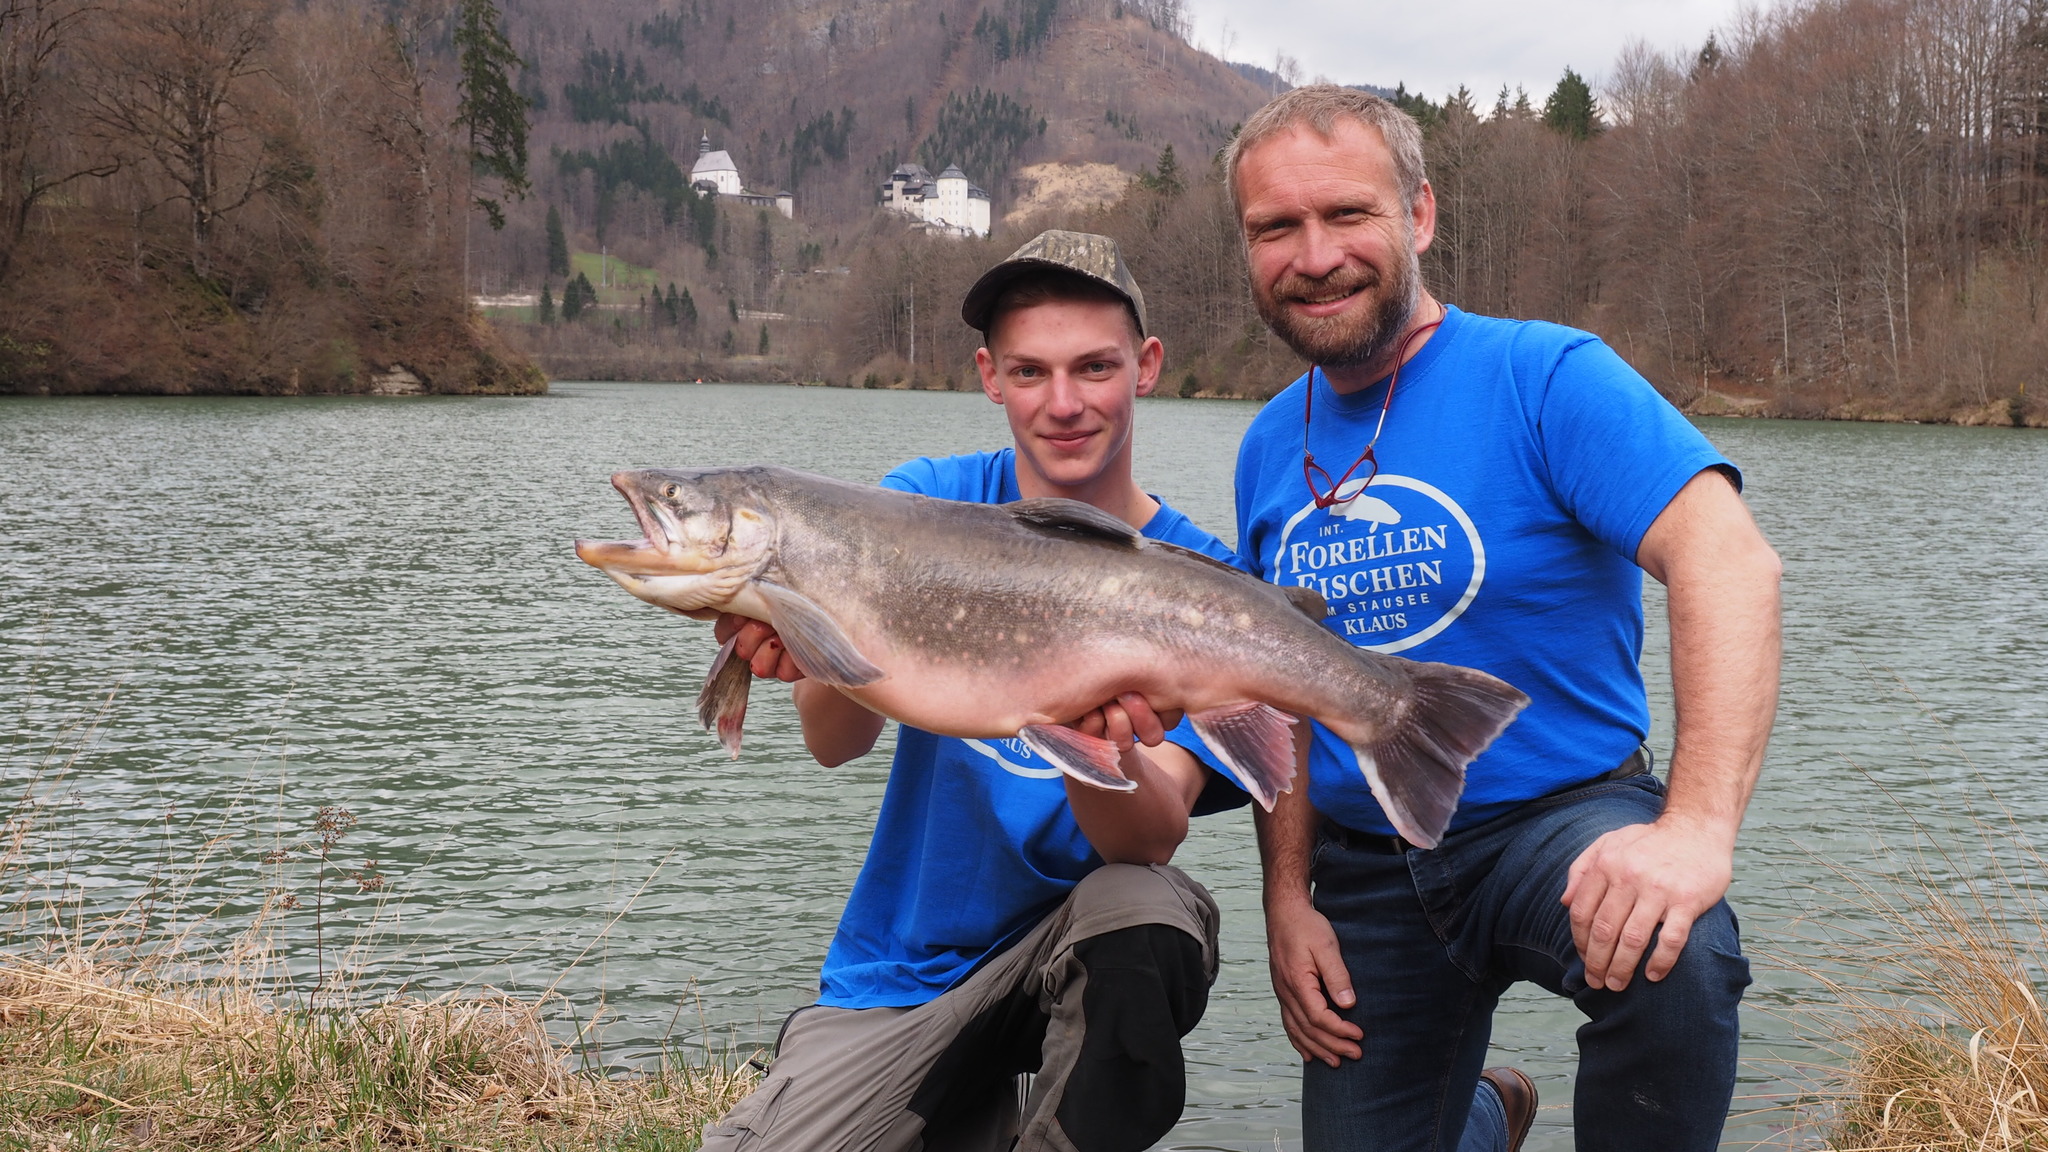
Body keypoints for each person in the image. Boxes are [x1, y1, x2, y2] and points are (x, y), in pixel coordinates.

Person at [1219, 86, 1783, 1151]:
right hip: (1363, 872)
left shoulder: (1546, 377)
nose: (1313, 253)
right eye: (1274, 228)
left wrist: (1695, 831)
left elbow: (1729, 562)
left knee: (1680, 948)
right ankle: (1486, 1119)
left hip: (1553, 823)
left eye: (1346, 214)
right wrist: (1284, 896)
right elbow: (1273, 691)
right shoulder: (1262, 448)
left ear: (1419, 216)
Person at [698, 230, 1249, 1152]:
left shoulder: (1204, 587)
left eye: (1095, 368)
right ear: (991, 377)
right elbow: (835, 742)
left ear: (1146, 366)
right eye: (1031, 372)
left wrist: (1098, 739)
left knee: (1148, 917)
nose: (1063, 403)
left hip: (1085, 942)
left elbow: (1149, 837)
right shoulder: (921, 505)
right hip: (908, 968)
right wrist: (806, 629)